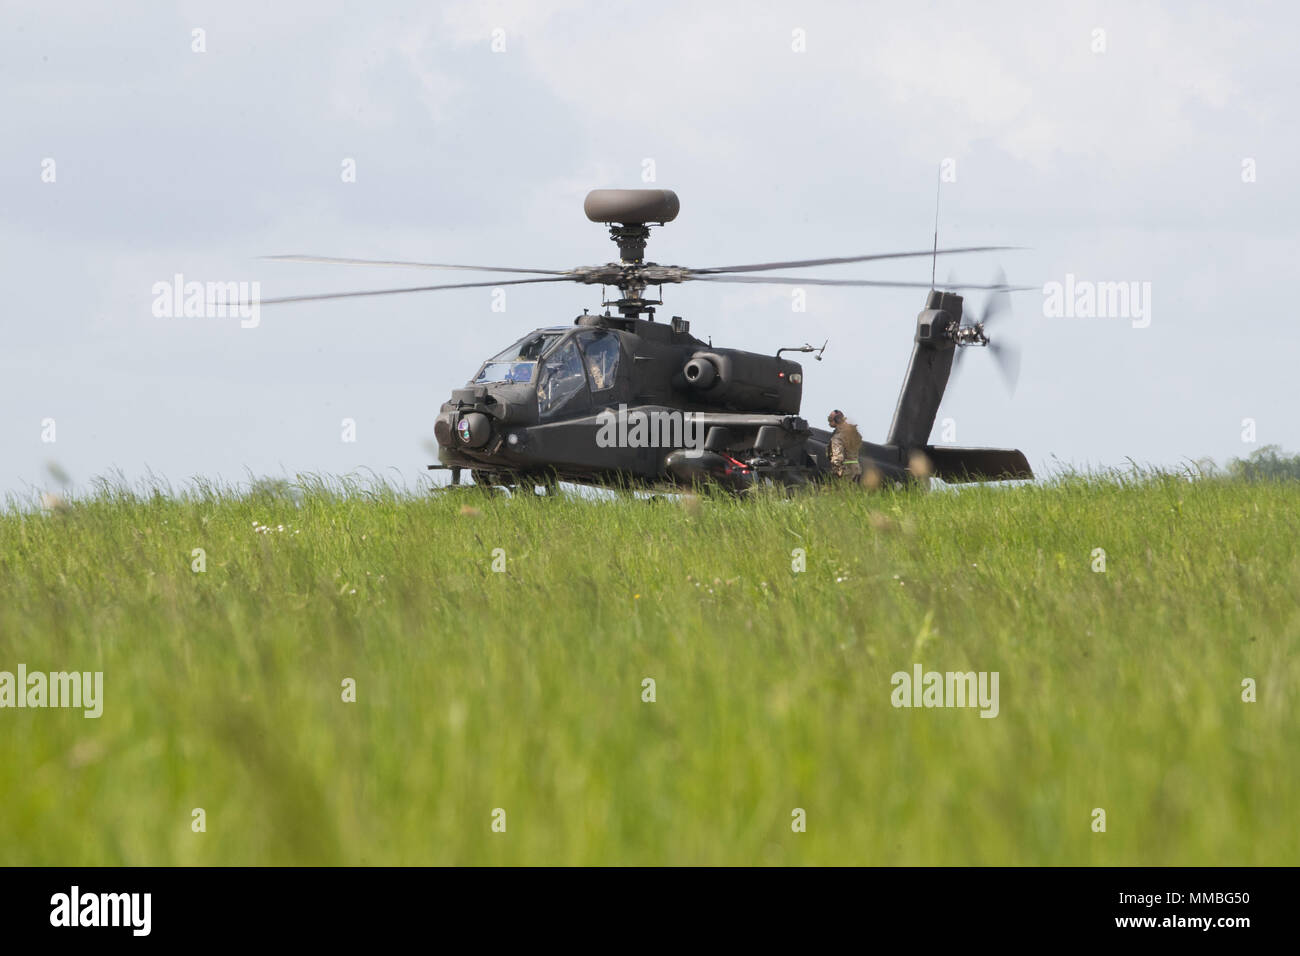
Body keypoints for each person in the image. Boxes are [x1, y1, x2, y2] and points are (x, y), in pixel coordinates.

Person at [827, 409, 862, 481]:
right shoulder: (854, 434)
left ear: (837, 420)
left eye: (830, 419)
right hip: (856, 468)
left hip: (845, 471)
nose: (829, 422)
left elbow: (837, 457)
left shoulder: (837, 438)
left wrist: (838, 471)